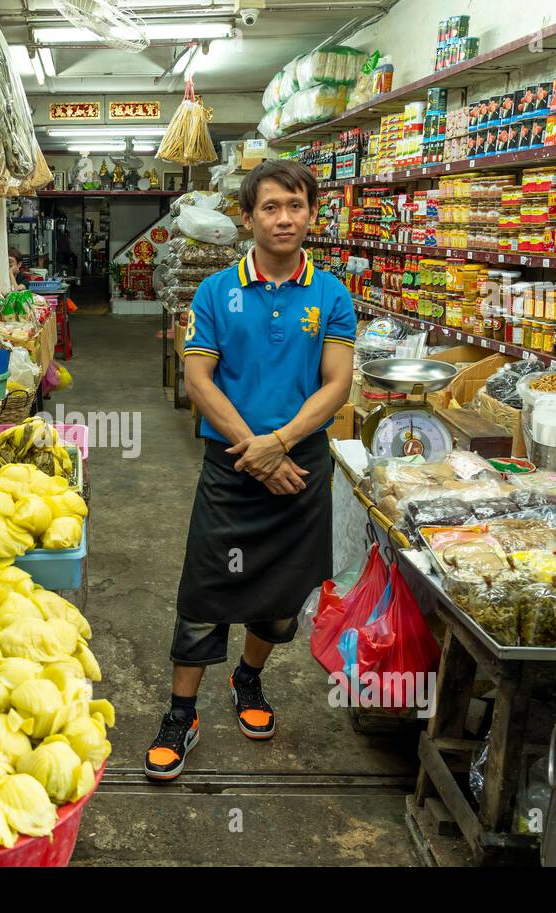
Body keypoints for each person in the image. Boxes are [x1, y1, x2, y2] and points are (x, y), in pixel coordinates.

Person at [144, 160, 356, 781]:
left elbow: (337, 383)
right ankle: (182, 713)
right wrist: (255, 451)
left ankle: (249, 679)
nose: (284, 217)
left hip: (301, 464)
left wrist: (282, 442)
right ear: (247, 218)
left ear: (312, 214)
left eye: (295, 205)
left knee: (283, 597)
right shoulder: (215, 292)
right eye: (270, 207)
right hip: (234, 465)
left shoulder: (331, 293)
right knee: (205, 592)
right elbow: (198, 379)